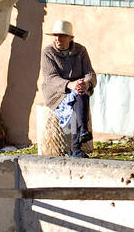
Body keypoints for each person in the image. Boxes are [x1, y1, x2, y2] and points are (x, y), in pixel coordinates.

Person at [40, 19, 96, 158]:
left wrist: (87, 83)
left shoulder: (81, 50)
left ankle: (76, 148)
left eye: (62, 35)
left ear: (71, 38)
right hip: (57, 92)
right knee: (78, 95)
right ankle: (83, 131)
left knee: (81, 92)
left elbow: (90, 73)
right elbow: (51, 77)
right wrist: (70, 84)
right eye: (56, 35)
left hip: (77, 90)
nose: (58, 39)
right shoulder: (48, 52)